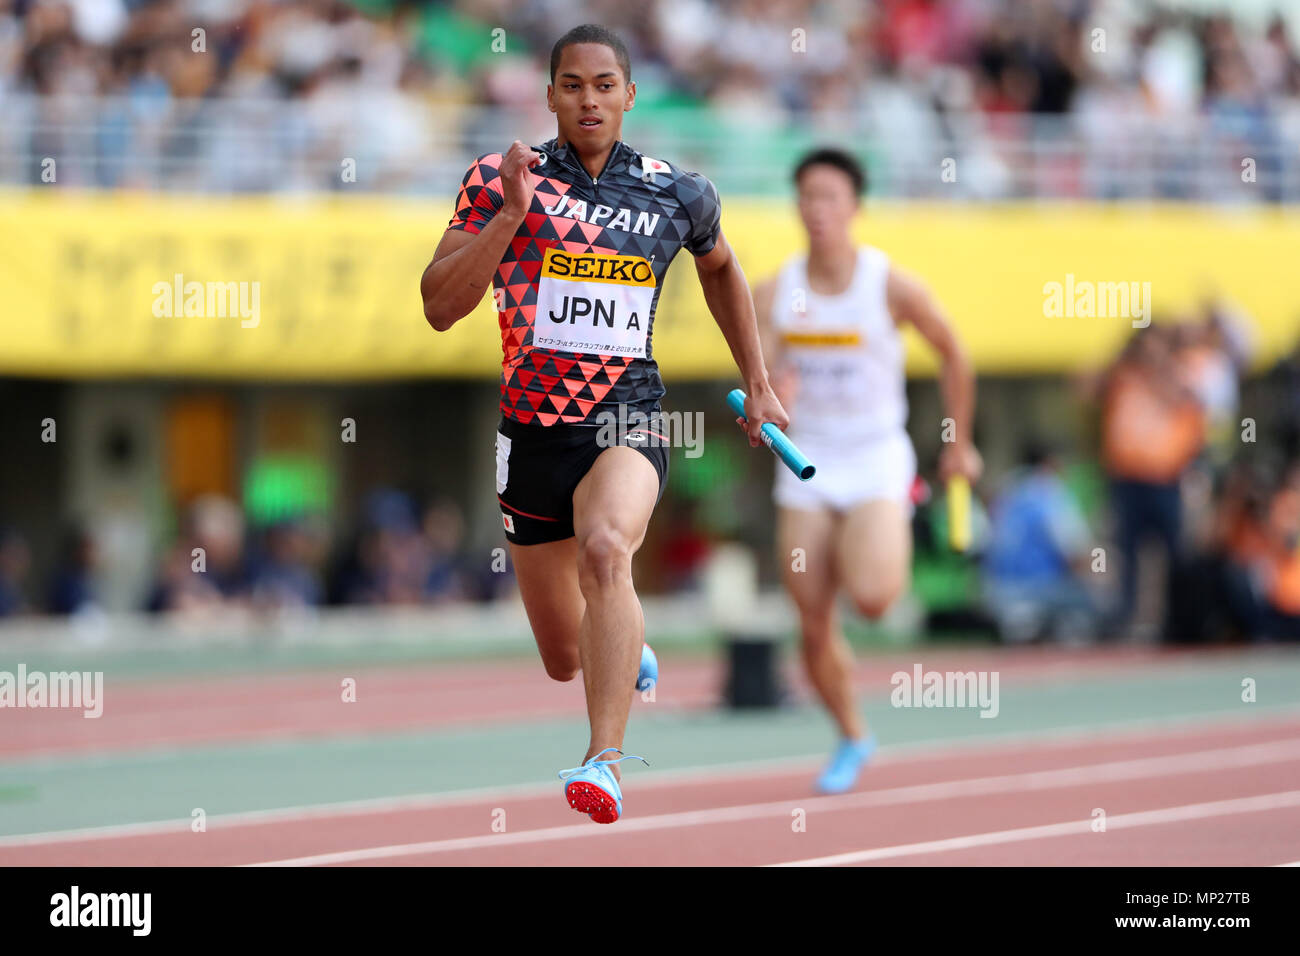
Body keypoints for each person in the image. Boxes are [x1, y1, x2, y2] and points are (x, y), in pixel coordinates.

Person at [420, 25, 787, 823]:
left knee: (609, 549)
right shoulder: (498, 178)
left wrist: (756, 383)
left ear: (628, 93)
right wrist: (511, 219)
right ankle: (624, 647)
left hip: (628, 415)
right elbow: (441, 308)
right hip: (532, 435)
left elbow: (722, 266)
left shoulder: (676, 193)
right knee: (562, 656)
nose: (590, 99)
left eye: (605, 84)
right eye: (573, 85)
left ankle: (605, 761)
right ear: (550, 95)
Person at [751, 147, 981, 794]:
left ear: (854, 206)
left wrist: (959, 442)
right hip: (807, 464)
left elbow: (953, 351)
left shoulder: (890, 284)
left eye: (830, 197)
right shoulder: (776, 289)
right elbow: (760, 376)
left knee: (875, 599)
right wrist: (771, 400)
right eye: (807, 197)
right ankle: (853, 733)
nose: (817, 209)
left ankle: (887, 531)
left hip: (877, 454)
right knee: (812, 614)